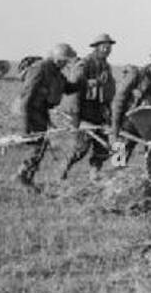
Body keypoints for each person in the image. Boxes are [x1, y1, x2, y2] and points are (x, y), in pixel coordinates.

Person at [16, 43, 77, 188]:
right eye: (64, 60)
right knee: (38, 147)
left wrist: (83, 82)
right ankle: (23, 176)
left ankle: (26, 177)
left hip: (42, 111)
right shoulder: (41, 68)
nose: (66, 64)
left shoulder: (55, 72)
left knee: (40, 147)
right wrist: (25, 126)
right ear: (57, 59)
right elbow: (26, 97)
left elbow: (67, 88)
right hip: (33, 112)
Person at [59, 33, 117, 179]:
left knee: (104, 146)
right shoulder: (84, 65)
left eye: (109, 47)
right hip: (84, 113)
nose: (107, 49)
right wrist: (76, 119)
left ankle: (95, 174)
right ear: (96, 48)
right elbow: (74, 92)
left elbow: (109, 93)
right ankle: (61, 173)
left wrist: (110, 114)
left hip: (101, 112)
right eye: (104, 46)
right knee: (81, 148)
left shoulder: (106, 67)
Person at [111, 46, 151, 159]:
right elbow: (119, 99)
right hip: (131, 122)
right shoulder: (138, 75)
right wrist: (115, 128)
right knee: (118, 160)